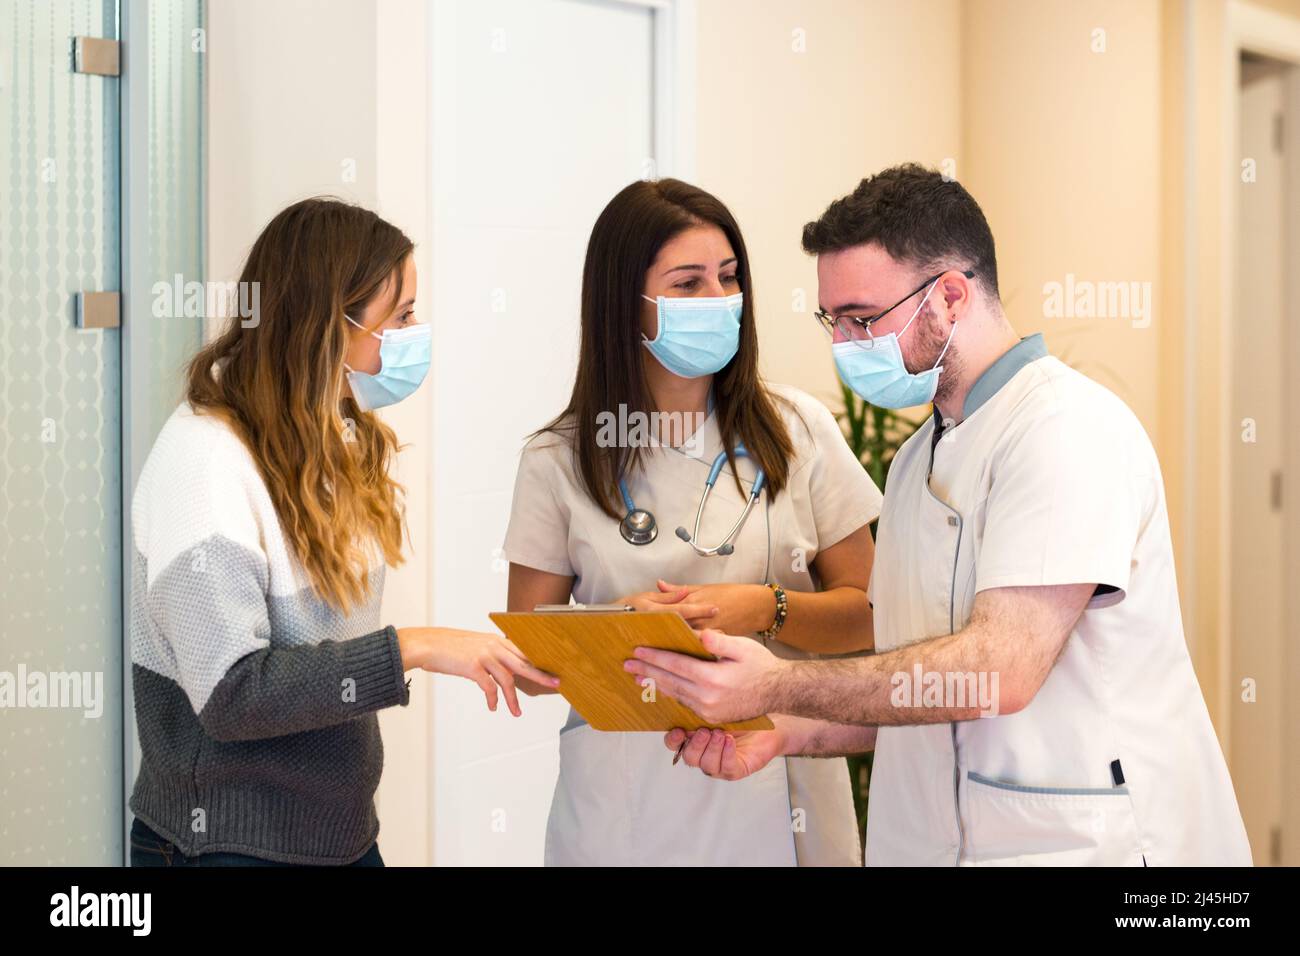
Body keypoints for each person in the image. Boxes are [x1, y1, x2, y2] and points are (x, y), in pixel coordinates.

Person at [630, 164, 1253, 866]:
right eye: (832, 321)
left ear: (950, 295)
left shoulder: (1067, 429)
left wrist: (776, 680)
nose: (844, 346)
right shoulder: (915, 461)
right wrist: (786, 728)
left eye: (862, 319)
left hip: (1092, 844)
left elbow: (998, 671)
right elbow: (917, 685)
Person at [128, 197, 556, 867]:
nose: (419, 332)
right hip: (229, 847)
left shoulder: (328, 439)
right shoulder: (204, 461)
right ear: (330, 324)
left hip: (337, 837)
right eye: (403, 316)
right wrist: (413, 648)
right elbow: (232, 696)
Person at [503, 178, 881, 866]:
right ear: (627, 303)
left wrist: (761, 608)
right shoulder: (557, 460)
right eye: (688, 284)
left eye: (729, 277)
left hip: (778, 778)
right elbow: (528, 665)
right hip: (627, 797)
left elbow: (871, 613)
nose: (718, 301)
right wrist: (625, 625)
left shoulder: (800, 430)